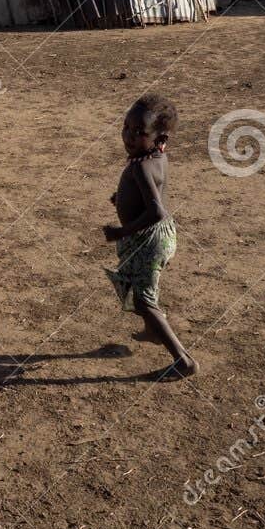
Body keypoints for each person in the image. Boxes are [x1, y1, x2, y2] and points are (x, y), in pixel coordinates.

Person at [102, 93, 198, 379]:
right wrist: (122, 198)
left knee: (144, 300)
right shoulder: (156, 157)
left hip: (148, 241)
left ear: (159, 138)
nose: (129, 136)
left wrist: (121, 231)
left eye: (139, 132)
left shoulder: (140, 165)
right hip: (160, 237)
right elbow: (152, 195)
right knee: (136, 287)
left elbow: (155, 211)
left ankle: (183, 361)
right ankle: (151, 330)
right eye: (126, 127)